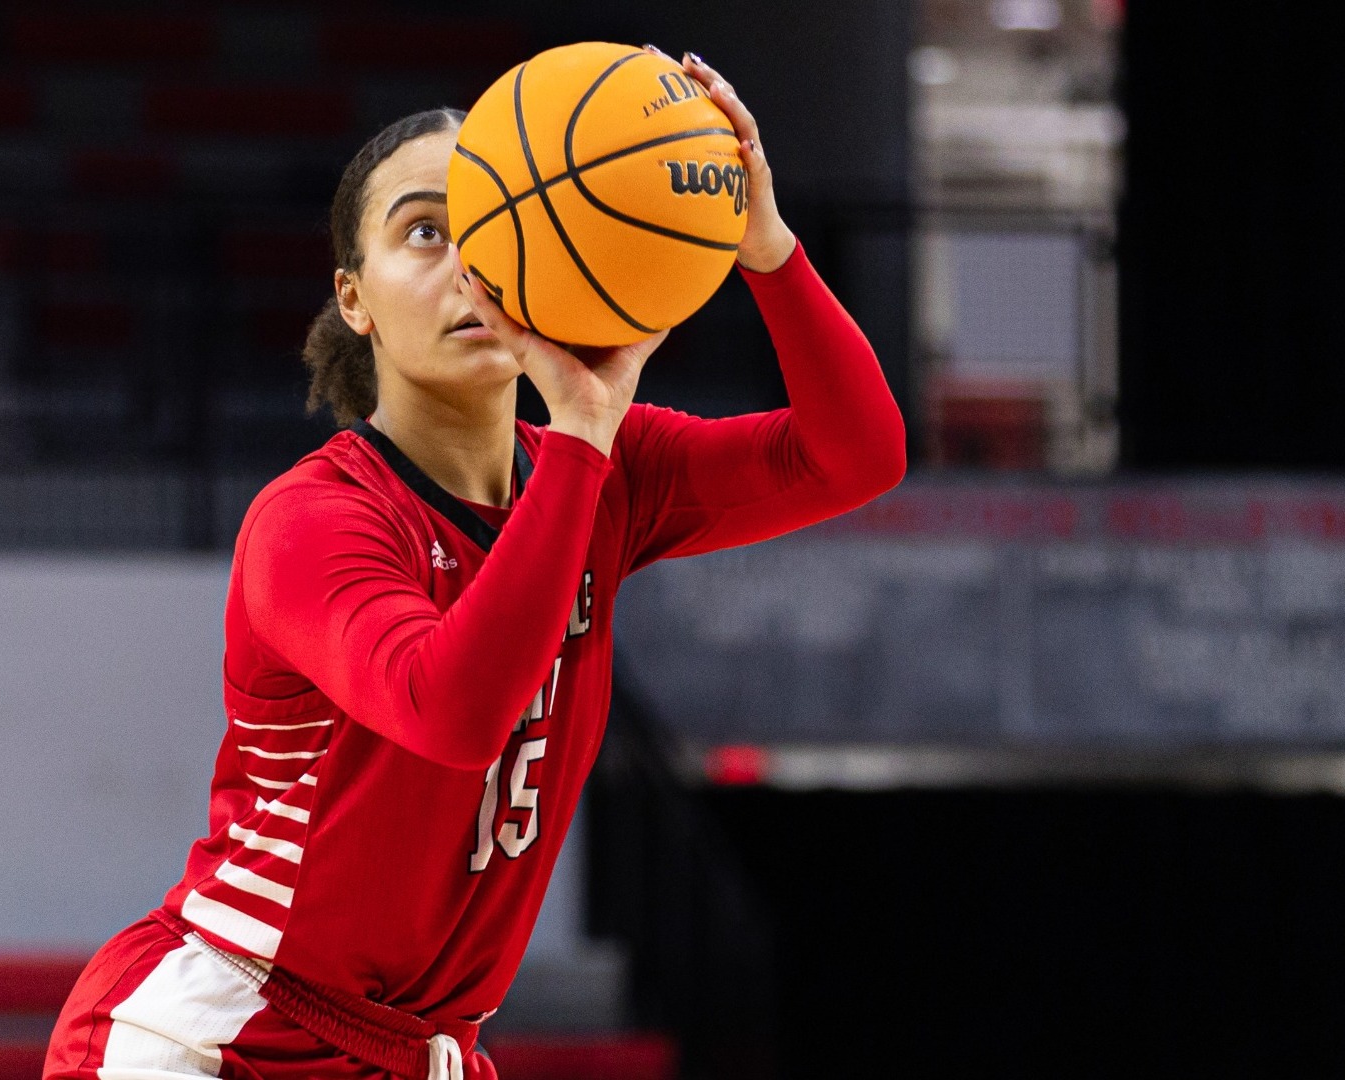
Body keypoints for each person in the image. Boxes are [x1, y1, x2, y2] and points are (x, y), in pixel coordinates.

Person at [45, 48, 905, 1080]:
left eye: (503, 223)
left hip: (425, 1050)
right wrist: (584, 435)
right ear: (353, 299)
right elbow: (455, 712)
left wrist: (764, 248)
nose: (475, 262)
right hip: (223, 1031)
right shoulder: (312, 520)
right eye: (425, 230)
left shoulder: (607, 474)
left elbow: (855, 455)